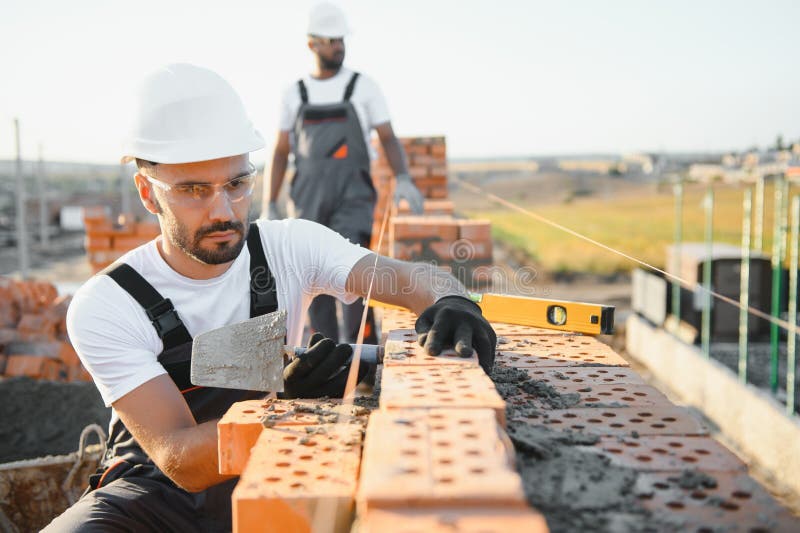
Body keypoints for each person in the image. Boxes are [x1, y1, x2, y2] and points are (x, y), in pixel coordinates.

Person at [43, 63, 495, 532]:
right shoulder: (109, 303)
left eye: (236, 184)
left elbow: (415, 278)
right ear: (148, 194)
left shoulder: (289, 248)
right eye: (194, 191)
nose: (223, 211)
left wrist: (452, 302)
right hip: (154, 499)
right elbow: (180, 459)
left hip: (275, 468)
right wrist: (288, 407)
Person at [262, 2, 424, 346]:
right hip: (308, 198)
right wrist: (269, 203)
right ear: (312, 45)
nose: (339, 46)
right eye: (331, 40)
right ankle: (326, 357)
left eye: (341, 40)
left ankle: (361, 355)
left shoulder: (363, 87)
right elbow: (279, 152)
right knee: (313, 274)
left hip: (353, 196)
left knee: (354, 270)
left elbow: (388, 138)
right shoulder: (294, 93)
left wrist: (403, 177)